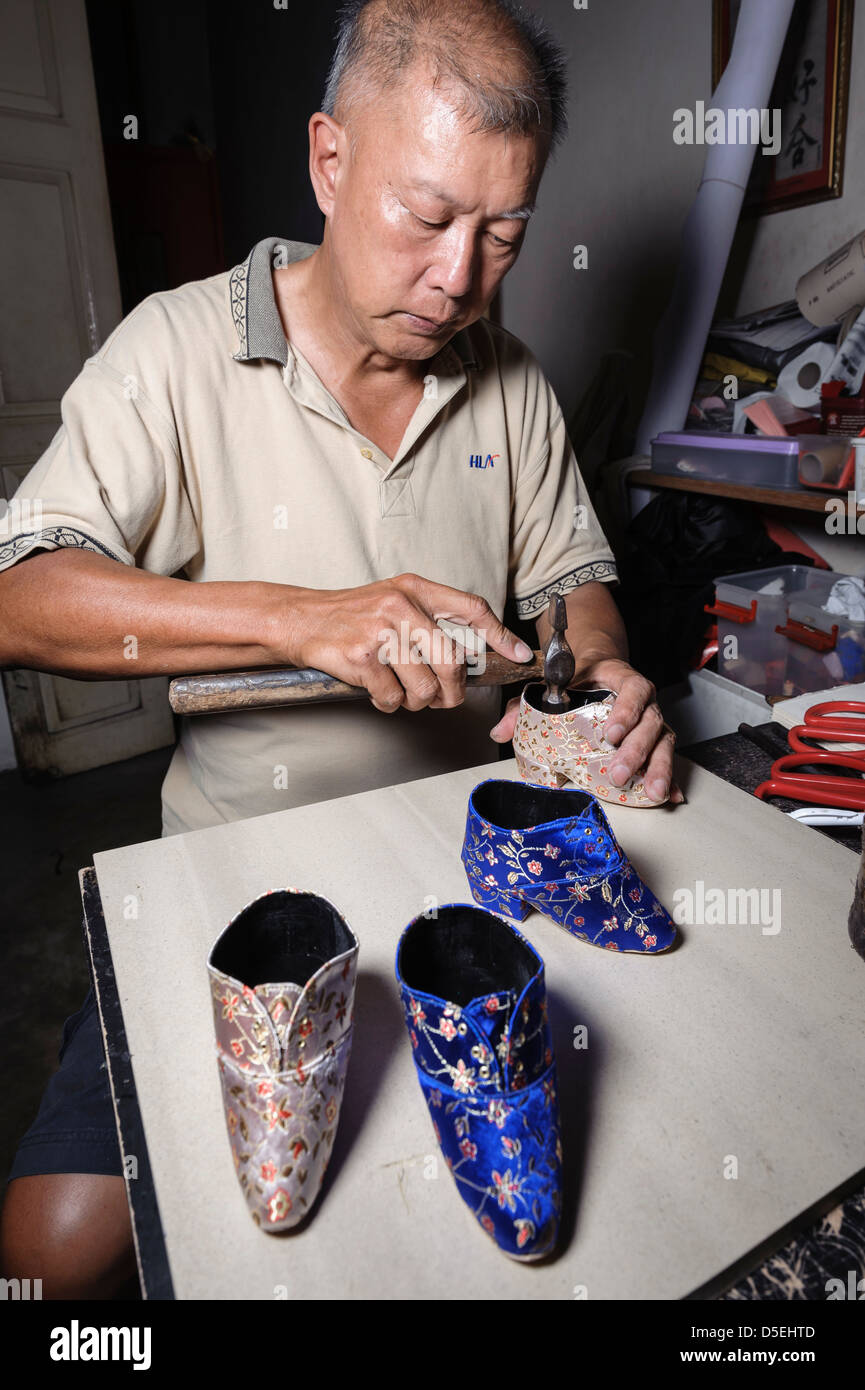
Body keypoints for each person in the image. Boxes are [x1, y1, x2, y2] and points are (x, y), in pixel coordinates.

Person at [0, 0, 677, 1296]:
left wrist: (594, 674)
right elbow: (18, 595)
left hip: (464, 866)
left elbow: (576, 577)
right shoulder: (178, 347)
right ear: (327, 161)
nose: (461, 276)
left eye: (504, 232)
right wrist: (296, 613)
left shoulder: (513, 382)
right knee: (54, 1252)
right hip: (235, 871)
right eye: (428, 218)